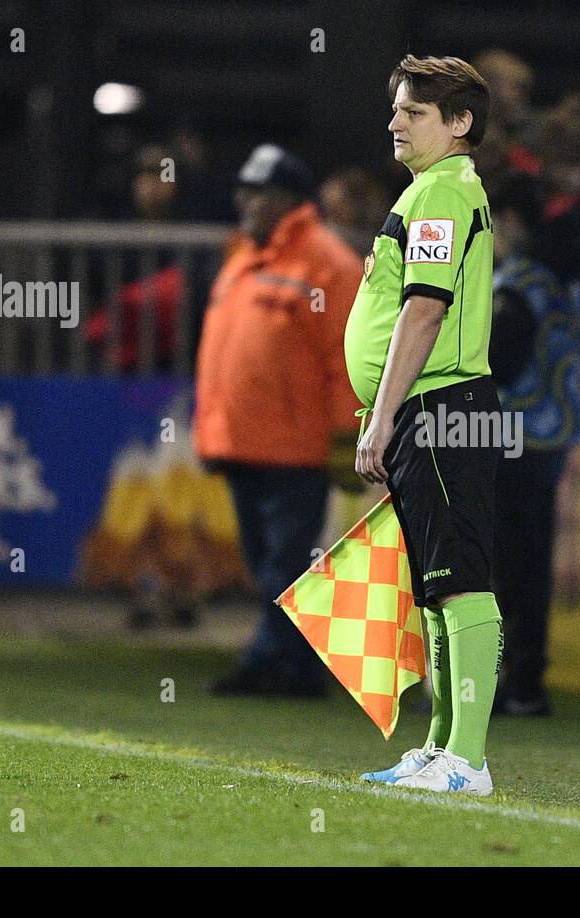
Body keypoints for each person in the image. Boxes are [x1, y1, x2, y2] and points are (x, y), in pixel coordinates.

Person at [349, 54, 501, 795]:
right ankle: (443, 747)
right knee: (438, 585)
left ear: (460, 122)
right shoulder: (434, 192)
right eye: (397, 110)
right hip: (430, 408)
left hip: (441, 408)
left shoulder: (440, 195)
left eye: (413, 113)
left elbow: (424, 308)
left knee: (461, 581)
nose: (395, 124)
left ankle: (466, 761)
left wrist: (380, 420)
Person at [195, 144, 362, 696]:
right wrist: (210, 430)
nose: (245, 199)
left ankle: (270, 663)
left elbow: (346, 361)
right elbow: (224, 355)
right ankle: (297, 668)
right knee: (265, 561)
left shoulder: (327, 263)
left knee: (284, 563)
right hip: (243, 442)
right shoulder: (245, 256)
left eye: (258, 190)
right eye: (244, 188)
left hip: (297, 447)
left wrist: (346, 440)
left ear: (290, 199)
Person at [487, 172, 580, 716]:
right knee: (532, 563)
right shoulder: (561, 282)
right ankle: (528, 678)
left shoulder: (516, 285)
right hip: (551, 435)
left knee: (506, 563)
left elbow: (501, 361)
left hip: (512, 435)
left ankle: (512, 678)